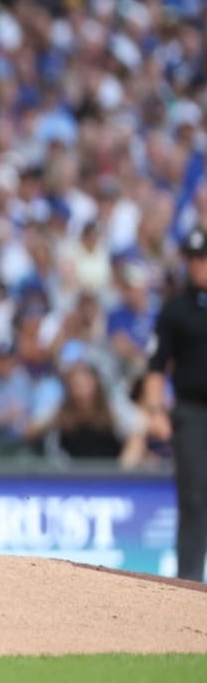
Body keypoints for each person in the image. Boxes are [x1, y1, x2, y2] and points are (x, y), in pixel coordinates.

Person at [141, 228, 207, 582]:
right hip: (192, 412)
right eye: (193, 258)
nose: (198, 265)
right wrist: (154, 411)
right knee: (195, 496)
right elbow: (156, 364)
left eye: (203, 257)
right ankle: (191, 583)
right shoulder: (176, 309)